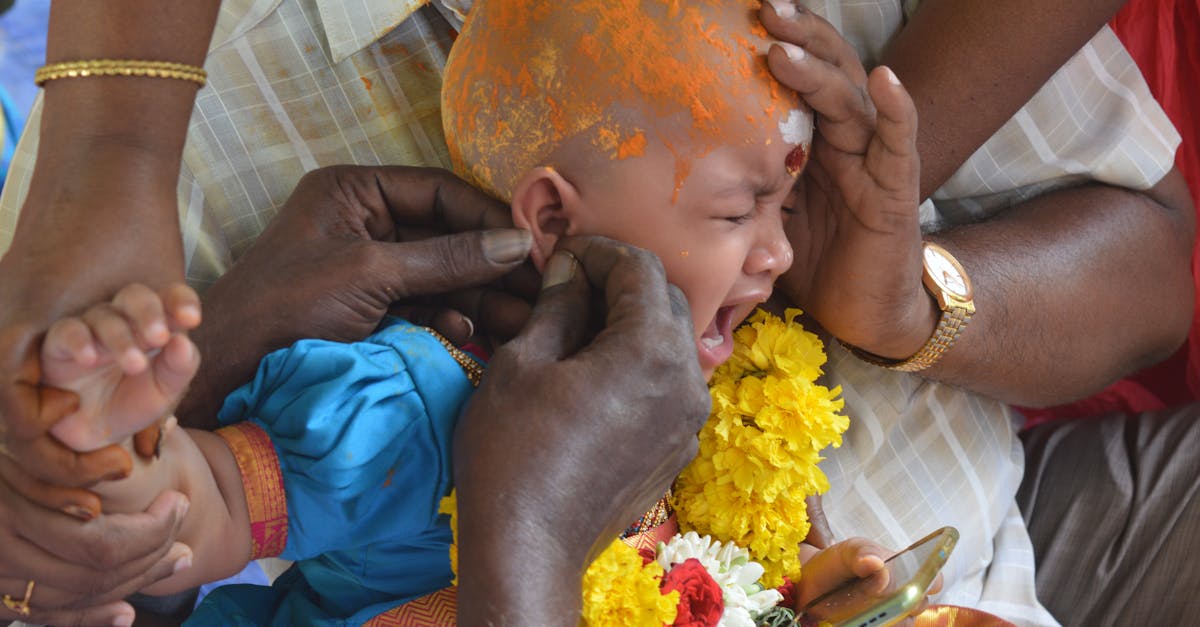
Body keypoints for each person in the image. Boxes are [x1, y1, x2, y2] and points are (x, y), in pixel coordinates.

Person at [0, 0, 1191, 624]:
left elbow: (1157, 267)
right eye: (740, 210)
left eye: (784, 201)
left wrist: (899, 292)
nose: (781, 249)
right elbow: (168, 517)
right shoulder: (413, 400)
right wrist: (146, 404)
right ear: (553, 219)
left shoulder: (790, 47)